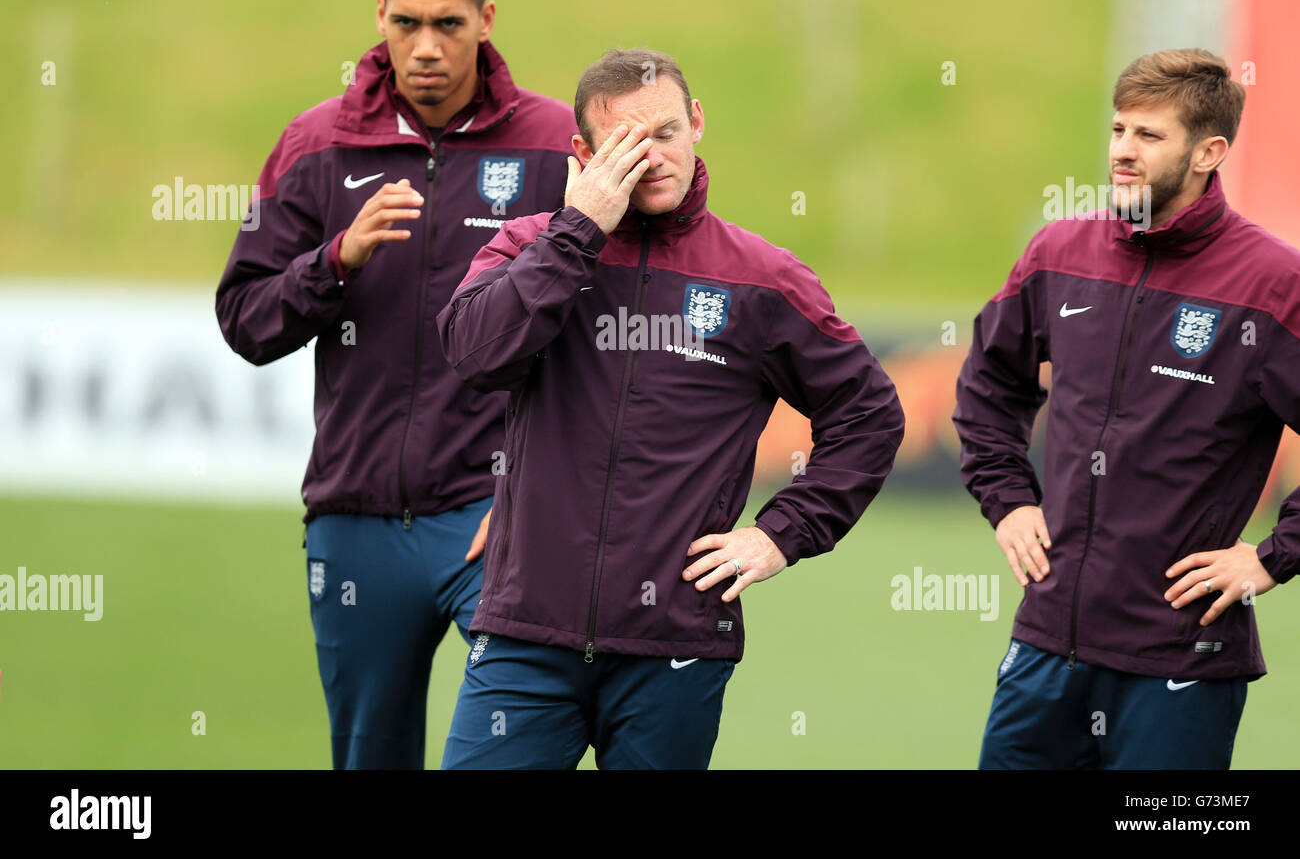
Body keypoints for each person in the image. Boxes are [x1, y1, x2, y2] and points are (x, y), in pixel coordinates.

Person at [435, 48, 905, 769]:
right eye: (625, 142)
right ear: (584, 153)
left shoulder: (763, 278)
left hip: (675, 648)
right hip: (525, 638)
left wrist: (782, 533)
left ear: (697, 124)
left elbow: (870, 416)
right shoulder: (531, 245)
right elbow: (472, 355)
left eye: (665, 133)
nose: (651, 157)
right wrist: (578, 231)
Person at [214, 0, 577, 769]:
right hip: (356, 523)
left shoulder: (554, 146)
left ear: (487, 19)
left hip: (499, 519)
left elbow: (603, 334)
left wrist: (538, 488)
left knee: (509, 749)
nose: (425, 47)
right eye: (405, 23)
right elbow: (244, 319)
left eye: (447, 24)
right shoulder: (315, 146)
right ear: (378, 14)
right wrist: (333, 262)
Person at [953, 48, 1300, 769]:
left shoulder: (1273, 283)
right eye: (1117, 131)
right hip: (1046, 647)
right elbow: (989, 384)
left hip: (1182, 661)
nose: (1122, 152)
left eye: (1148, 136)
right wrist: (1009, 498)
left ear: (1209, 152)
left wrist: (1271, 557)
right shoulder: (1059, 250)